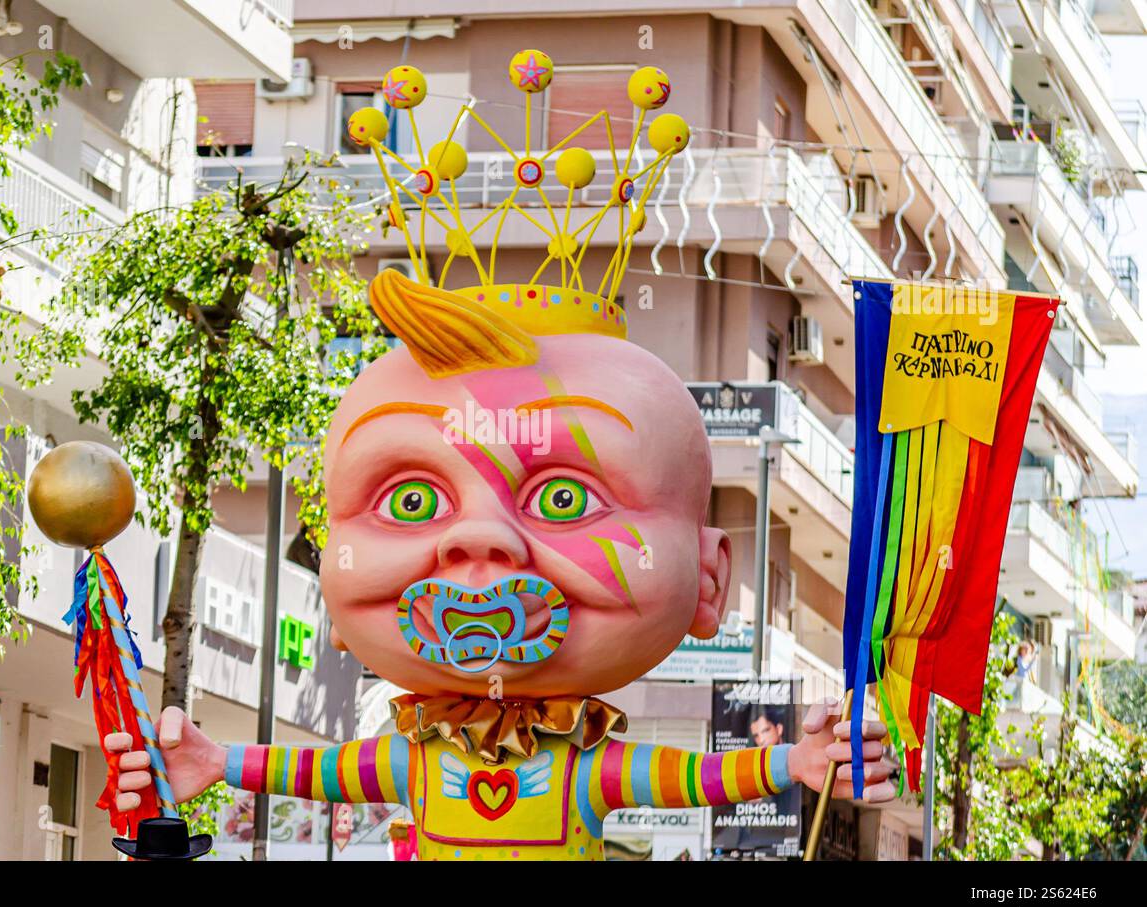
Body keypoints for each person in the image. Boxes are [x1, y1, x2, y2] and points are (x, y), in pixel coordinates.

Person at [106, 268, 895, 861]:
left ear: (709, 579)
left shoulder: (588, 767)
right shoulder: (411, 755)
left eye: (561, 500)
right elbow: (321, 769)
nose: (481, 543)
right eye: (411, 501)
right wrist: (215, 760)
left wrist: (798, 759)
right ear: (332, 589)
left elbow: (692, 779)